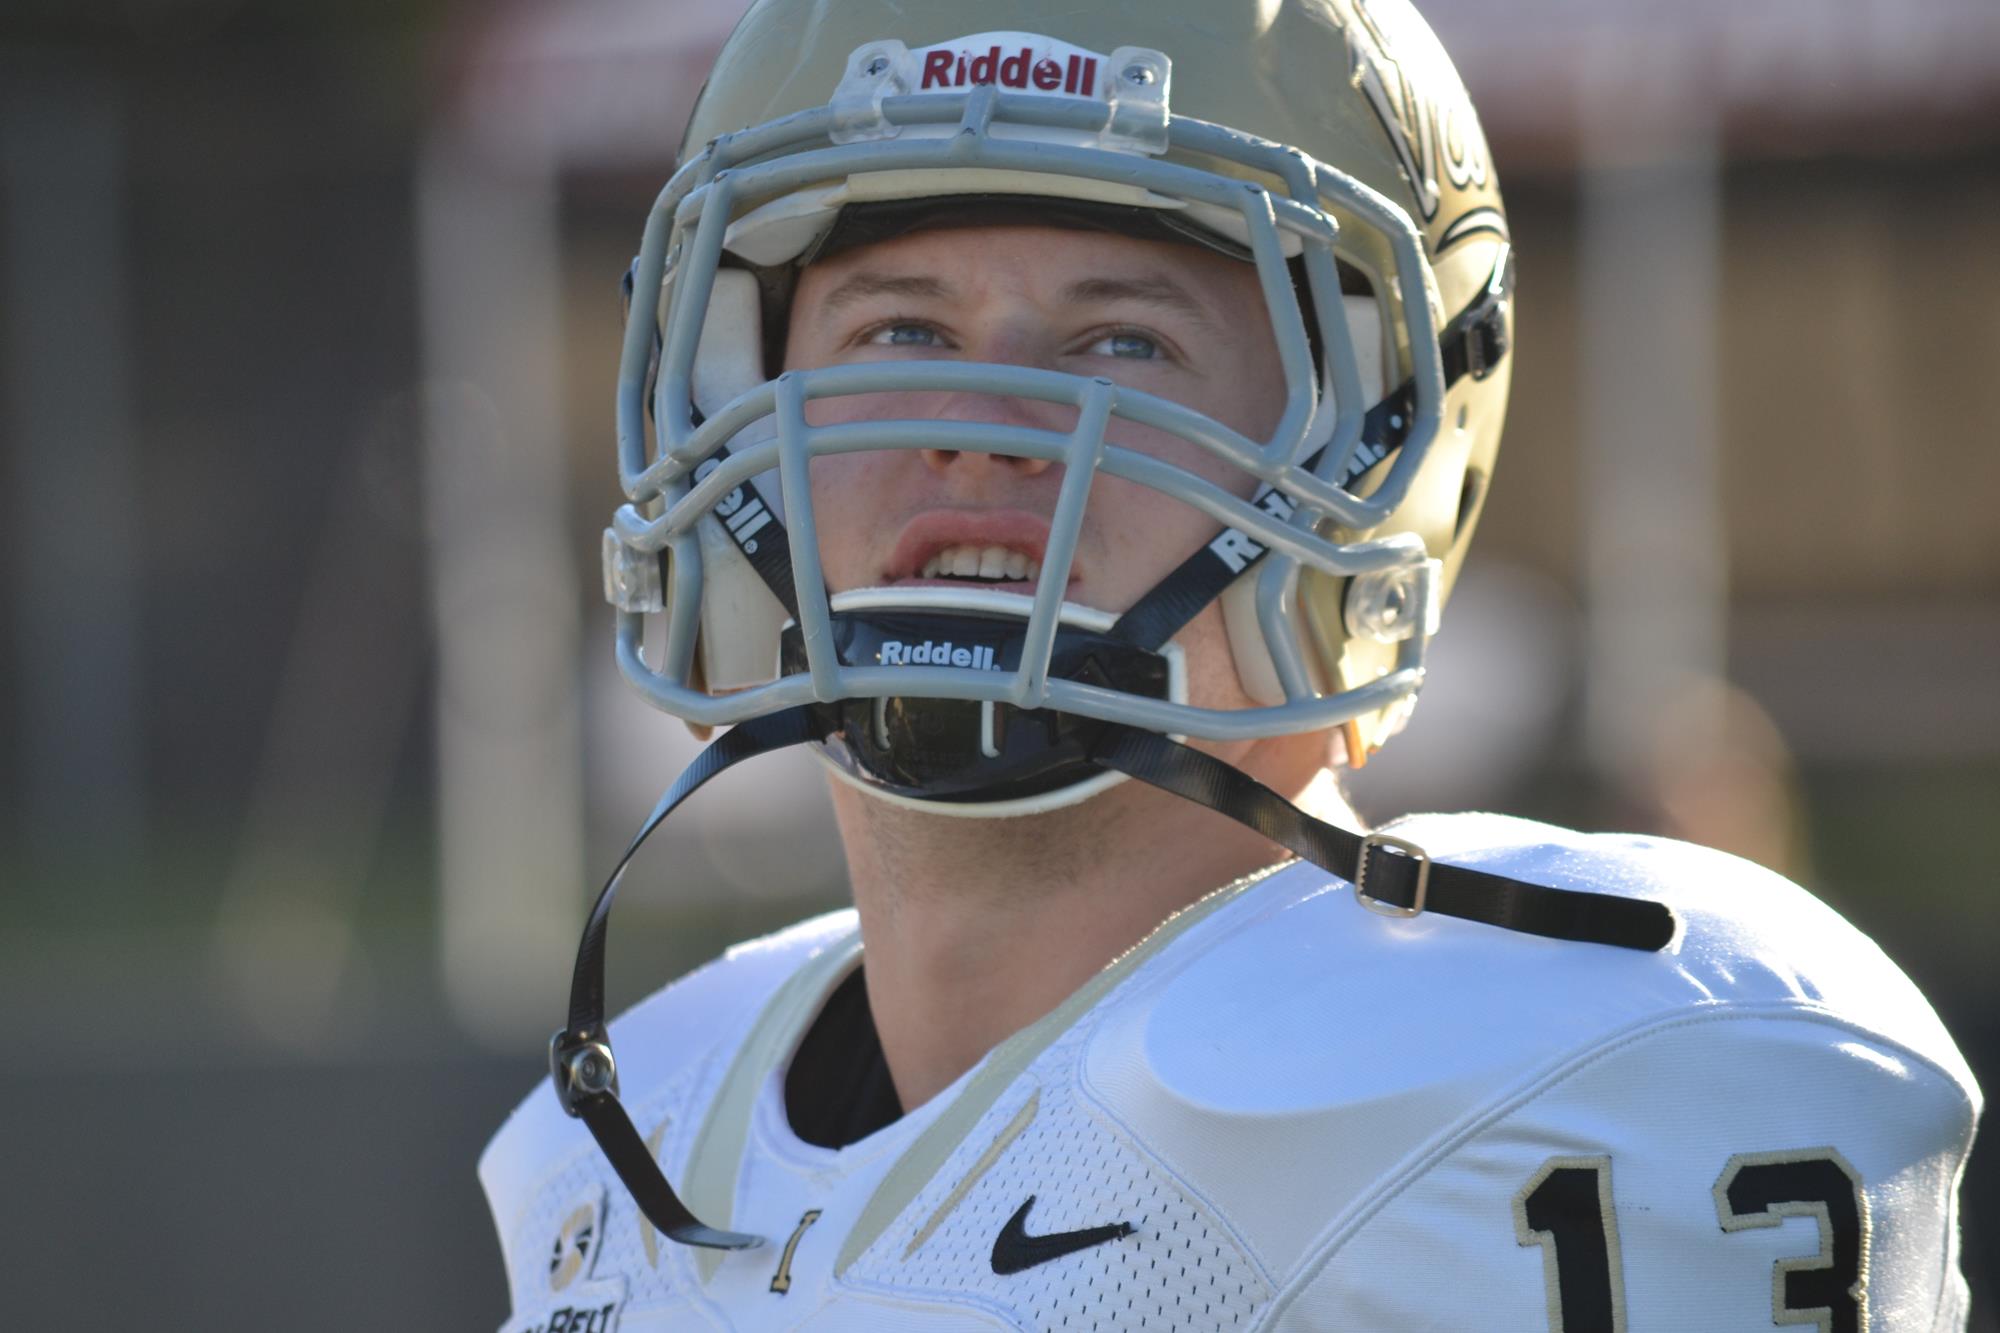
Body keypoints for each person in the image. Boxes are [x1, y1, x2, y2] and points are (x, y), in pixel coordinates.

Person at [479, 1, 1982, 1328]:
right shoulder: (629, 1133)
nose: (981, 423)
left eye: (1124, 344)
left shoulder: (1544, 1089)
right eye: (896, 326)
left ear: (1375, 448)